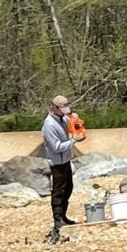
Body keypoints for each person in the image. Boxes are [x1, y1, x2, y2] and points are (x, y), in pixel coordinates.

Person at [40, 95, 81, 241]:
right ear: (54, 107)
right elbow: (56, 147)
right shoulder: (49, 125)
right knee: (58, 191)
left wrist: (76, 121)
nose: (64, 113)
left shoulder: (62, 118)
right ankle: (57, 220)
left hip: (66, 160)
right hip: (56, 162)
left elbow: (72, 122)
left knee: (68, 187)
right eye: (62, 109)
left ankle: (63, 216)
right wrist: (73, 141)